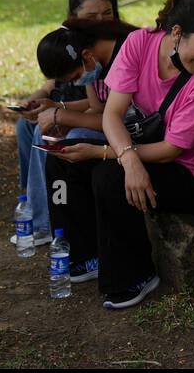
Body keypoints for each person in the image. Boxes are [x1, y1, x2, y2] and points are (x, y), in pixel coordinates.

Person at [66, 0, 194, 310]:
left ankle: (135, 276)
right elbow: (112, 113)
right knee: (71, 157)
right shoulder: (140, 42)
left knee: (108, 177)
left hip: (183, 172)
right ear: (176, 33)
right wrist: (128, 158)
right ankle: (87, 256)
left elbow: (172, 150)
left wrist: (110, 155)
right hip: (138, 145)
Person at [10, 0, 121, 245]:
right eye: (91, 16)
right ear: (73, 18)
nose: (100, 22)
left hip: (116, 127)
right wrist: (47, 102)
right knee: (31, 126)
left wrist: (60, 112)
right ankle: (36, 204)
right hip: (89, 113)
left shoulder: (120, 49)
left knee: (48, 134)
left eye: (107, 13)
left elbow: (112, 112)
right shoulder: (78, 47)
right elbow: (92, 101)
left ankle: (45, 220)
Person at [31, 17, 138, 283]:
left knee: (72, 141)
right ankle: (56, 232)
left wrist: (62, 116)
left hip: (131, 134)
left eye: (77, 76)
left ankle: (82, 247)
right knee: (48, 138)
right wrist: (58, 110)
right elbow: (99, 107)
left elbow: (118, 119)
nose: (79, 81)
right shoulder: (94, 64)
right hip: (116, 129)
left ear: (87, 56)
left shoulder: (124, 56)